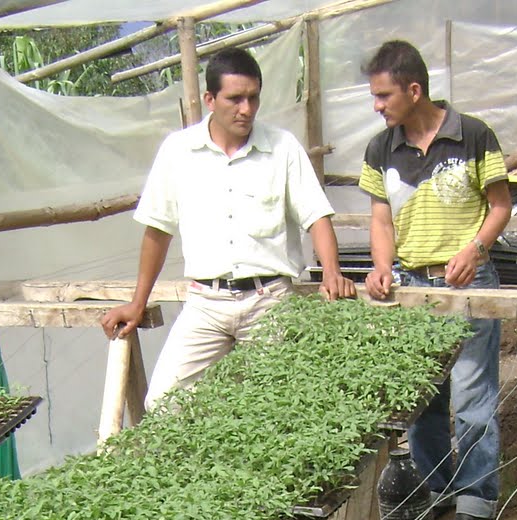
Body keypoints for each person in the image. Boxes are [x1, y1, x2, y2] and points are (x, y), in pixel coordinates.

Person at [101, 48, 355, 405]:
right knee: (163, 403)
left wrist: (332, 272)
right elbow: (157, 230)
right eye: (235, 99)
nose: (246, 109)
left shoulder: (282, 147)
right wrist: (137, 303)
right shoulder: (178, 151)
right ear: (210, 99)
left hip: (269, 301)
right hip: (206, 302)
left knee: (277, 407)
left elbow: (316, 216)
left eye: (253, 98)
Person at [359, 40, 512, 520]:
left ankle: (476, 498)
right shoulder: (381, 149)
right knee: (422, 398)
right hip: (411, 285)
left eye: (384, 95)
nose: (377, 106)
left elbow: (500, 206)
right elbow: (381, 219)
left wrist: (475, 250)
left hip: (466, 283)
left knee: (471, 393)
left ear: (414, 90)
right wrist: (382, 267)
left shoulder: (472, 135)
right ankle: (436, 488)